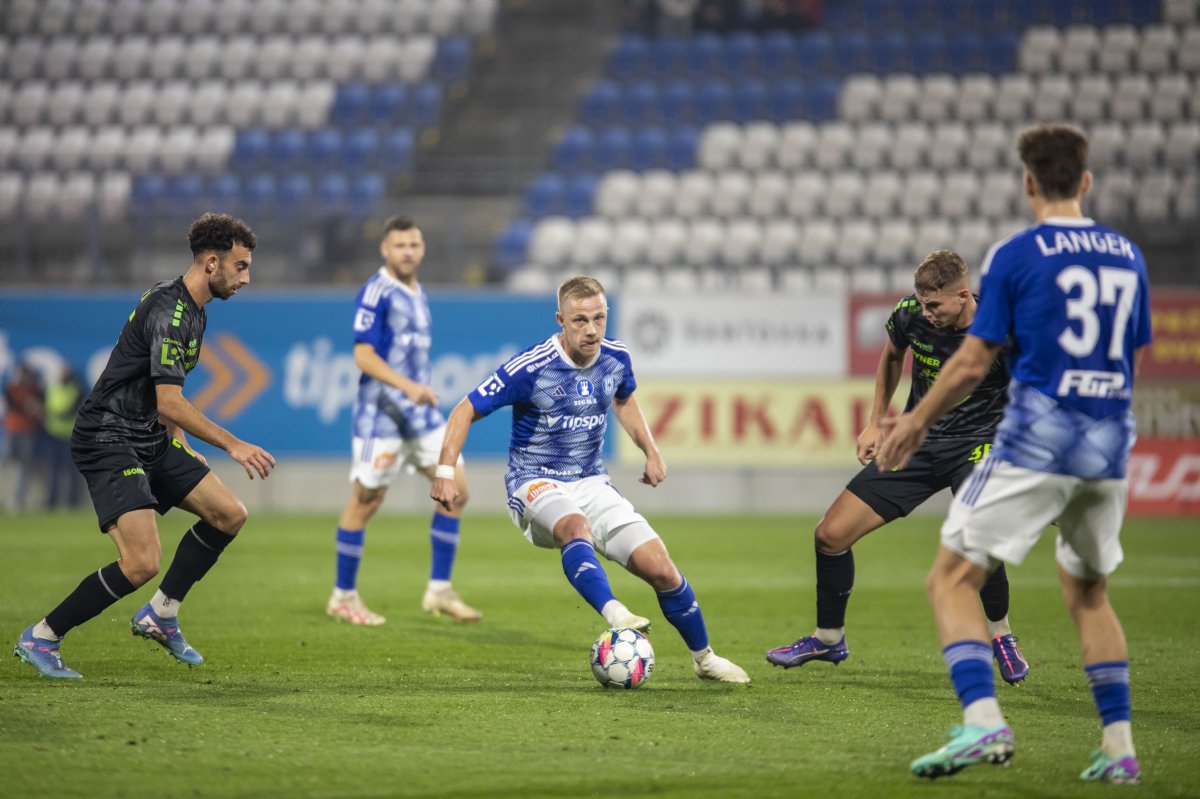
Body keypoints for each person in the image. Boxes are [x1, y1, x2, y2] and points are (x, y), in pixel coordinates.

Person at [876, 124, 1151, 784]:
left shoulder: (1018, 254)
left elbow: (972, 359)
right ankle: (1120, 748)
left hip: (1037, 438)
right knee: (1088, 592)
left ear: (1029, 183)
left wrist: (916, 419)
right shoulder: (1126, 254)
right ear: (1085, 181)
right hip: (1110, 441)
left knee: (949, 578)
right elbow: (1133, 351)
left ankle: (982, 723)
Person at [430, 275, 750, 683]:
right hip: (533, 480)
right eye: (580, 320)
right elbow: (463, 410)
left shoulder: (616, 358)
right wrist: (444, 472)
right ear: (560, 319)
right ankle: (617, 614)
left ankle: (705, 659)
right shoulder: (531, 367)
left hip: (592, 481)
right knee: (574, 527)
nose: (592, 329)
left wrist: (650, 451)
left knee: (664, 570)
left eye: (599, 318)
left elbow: (624, 398)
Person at [13, 213, 276, 679]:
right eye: (240, 266)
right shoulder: (170, 312)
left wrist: (178, 445)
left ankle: (161, 613)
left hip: (149, 436)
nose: (247, 278)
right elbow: (171, 401)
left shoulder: (195, 310)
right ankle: (43, 635)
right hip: (108, 437)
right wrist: (232, 444)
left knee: (229, 513)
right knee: (141, 563)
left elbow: (161, 394)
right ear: (212, 262)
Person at [766, 250, 1029, 686]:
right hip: (917, 442)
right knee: (829, 535)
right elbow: (892, 356)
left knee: (977, 534)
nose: (925, 314)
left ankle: (1001, 634)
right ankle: (829, 637)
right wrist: (875, 422)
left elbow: (1028, 396)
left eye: (935, 306)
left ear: (963, 296)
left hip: (978, 445)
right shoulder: (911, 314)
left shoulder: (1000, 331)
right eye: (921, 304)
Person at [326, 215, 480, 626]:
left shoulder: (418, 292)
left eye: (413, 244)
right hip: (382, 419)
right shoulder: (377, 292)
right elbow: (363, 356)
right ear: (385, 250)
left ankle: (439, 590)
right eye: (400, 246)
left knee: (456, 492)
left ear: (422, 248)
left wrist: (417, 392)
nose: (407, 252)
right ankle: (343, 596)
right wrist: (407, 386)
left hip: (420, 418)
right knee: (366, 501)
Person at [44, 363, 87, 509]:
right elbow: (49, 406)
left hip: (70, 436)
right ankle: (52, 501)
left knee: (72, 471)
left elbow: (68, 410)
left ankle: (73, 501)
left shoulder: (76, 389)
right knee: (54, 471)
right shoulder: (53, 388)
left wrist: (56, 413)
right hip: (53, 435)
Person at [3, 362, 45, 511]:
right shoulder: (13, 388)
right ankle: (8, 497)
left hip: (28, 432)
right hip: (13, 430)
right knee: (11, 463)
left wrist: (34, 407)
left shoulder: (35, 389)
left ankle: (17, 499)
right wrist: (27, 405)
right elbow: (12, 404)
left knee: (24, 466)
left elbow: (40, 409)